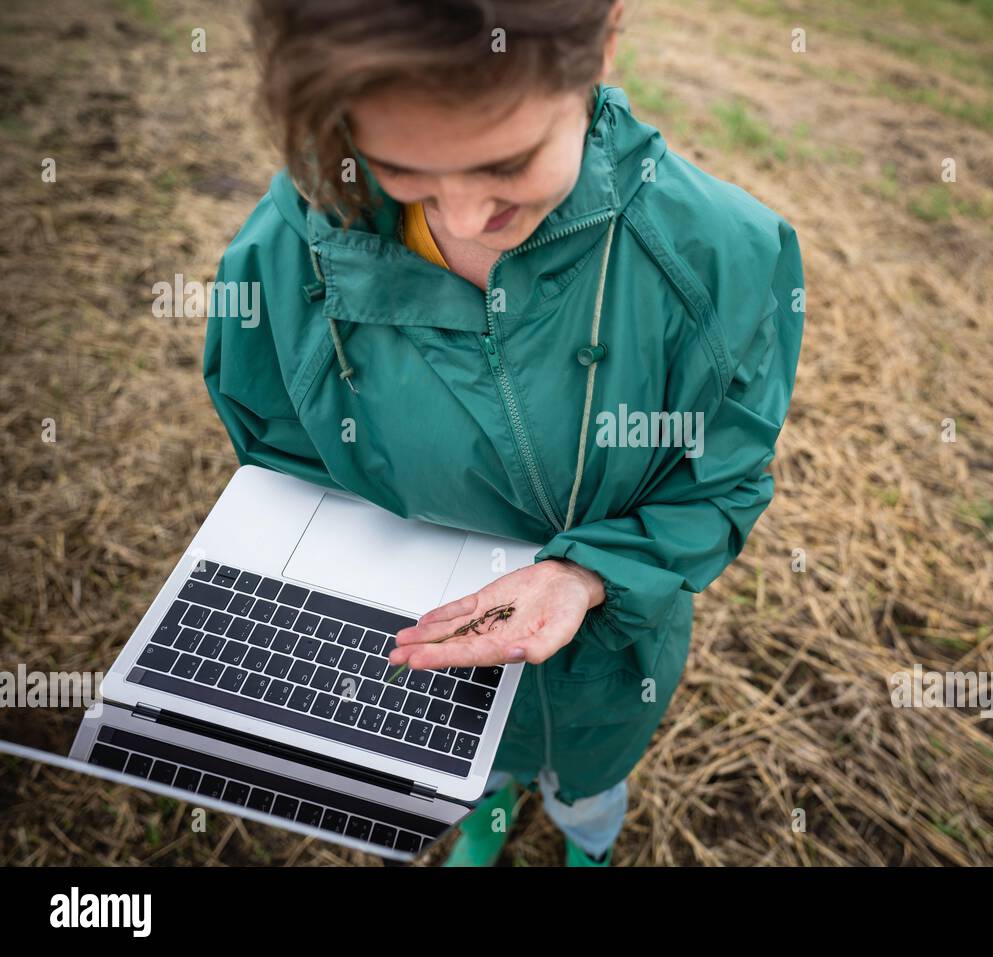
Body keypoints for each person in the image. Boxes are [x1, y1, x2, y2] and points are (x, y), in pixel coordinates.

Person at [204, 0, 805, 866]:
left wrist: (591, 574)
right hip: (425, 651)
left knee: (588, 779)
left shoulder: (722, 257)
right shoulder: (286, 245)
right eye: (405, 170)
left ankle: (588, 839)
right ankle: (485, 810)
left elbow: (721, 480)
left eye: (508, 164)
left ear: (603, 42)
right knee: (474, 765)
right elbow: (277, 454)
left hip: (608, 662)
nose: (461, 213)